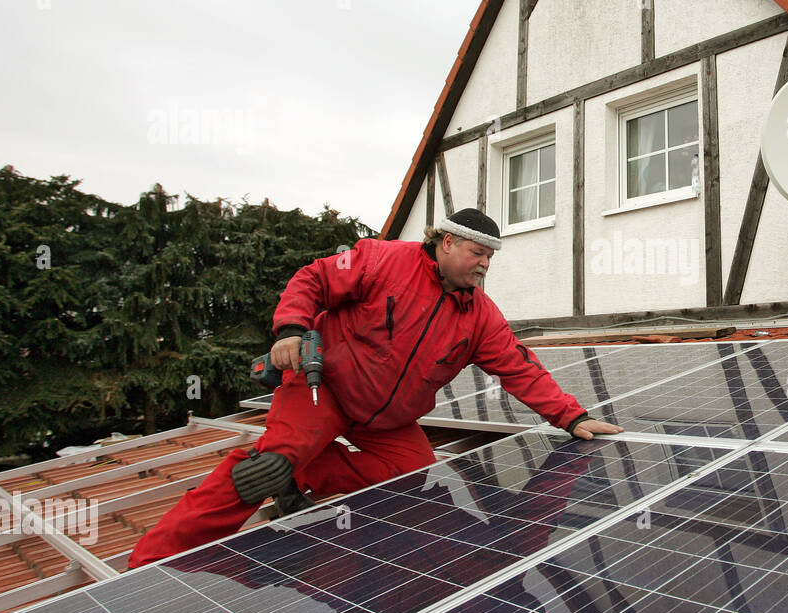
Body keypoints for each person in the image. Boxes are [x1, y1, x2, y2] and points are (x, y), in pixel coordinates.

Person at [127, 208, 622, 568]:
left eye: (490, 257)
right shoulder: (381, 261)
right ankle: (151, 559)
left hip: (387, 420)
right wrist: (291, 330)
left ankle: (299, 476)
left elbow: (520, 368)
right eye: (477, 252)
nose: (484, 265)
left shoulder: (480, 316)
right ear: (446, 243)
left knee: (412, 475)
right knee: (268, 463)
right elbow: (312, 279)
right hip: (322, 389)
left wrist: (571, 417)